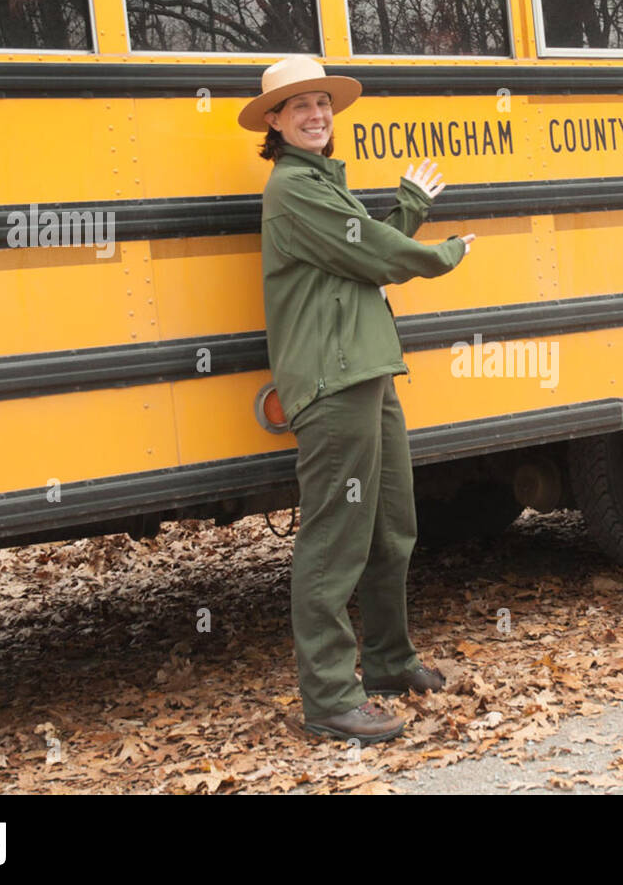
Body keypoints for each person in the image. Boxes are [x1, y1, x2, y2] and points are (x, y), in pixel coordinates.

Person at [239, 56, 475, 743]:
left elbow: (354, 252)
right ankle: (330, 698)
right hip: (333, 380)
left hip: (367, 371)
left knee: (391, 526)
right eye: (299, 105)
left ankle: (389, 659)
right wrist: (445, 252)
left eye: (323, 102)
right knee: (334, 541)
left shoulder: (321, 184)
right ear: (275, 123)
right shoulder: (292, 188)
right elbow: (374, 254)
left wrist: (407, 208)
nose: (316, 113)